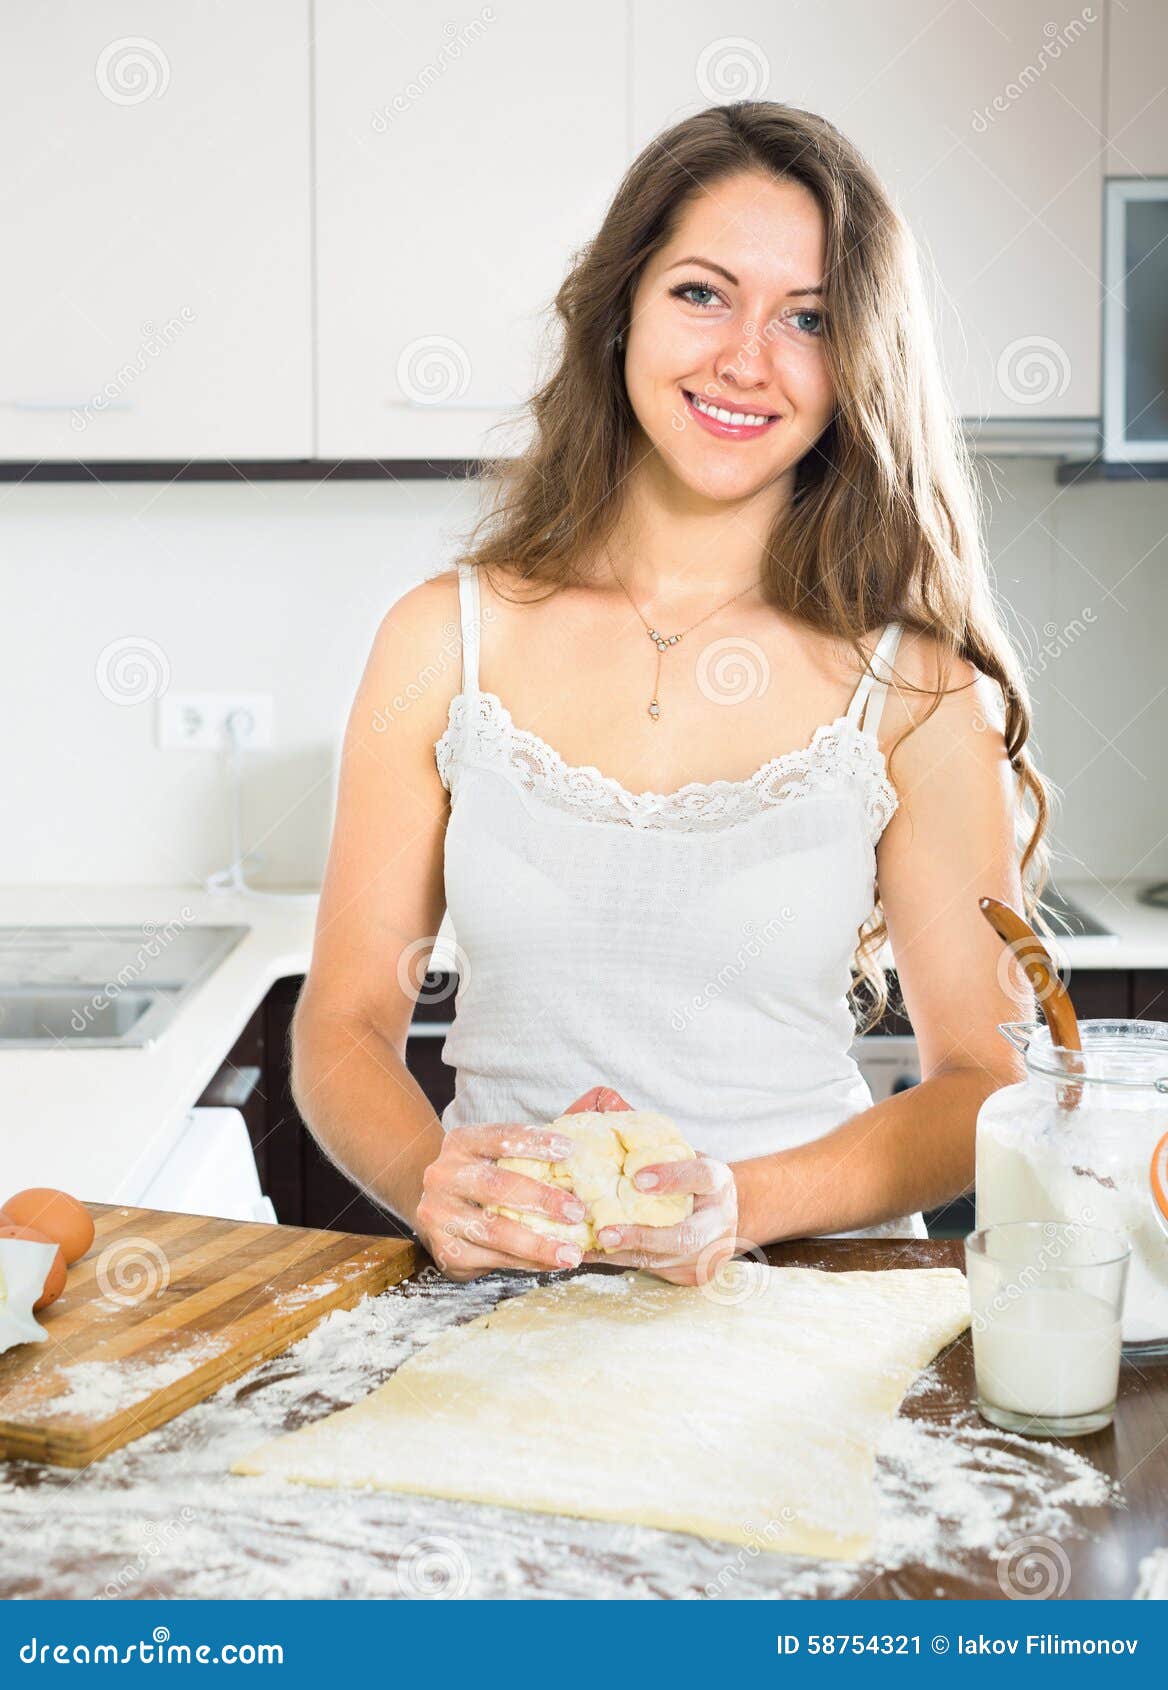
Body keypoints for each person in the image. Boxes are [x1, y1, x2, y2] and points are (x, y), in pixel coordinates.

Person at [291, 101, 1048, 1284]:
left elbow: (985, 1081)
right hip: (510, 1302)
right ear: (621, 309)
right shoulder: (445, 641)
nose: (745, 358)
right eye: (702, 293)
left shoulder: (911, 686)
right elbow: (342, 1026)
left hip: (807, 1299)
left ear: (855, 365)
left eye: (807, 318)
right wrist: (434, 1182)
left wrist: (740, 1201)